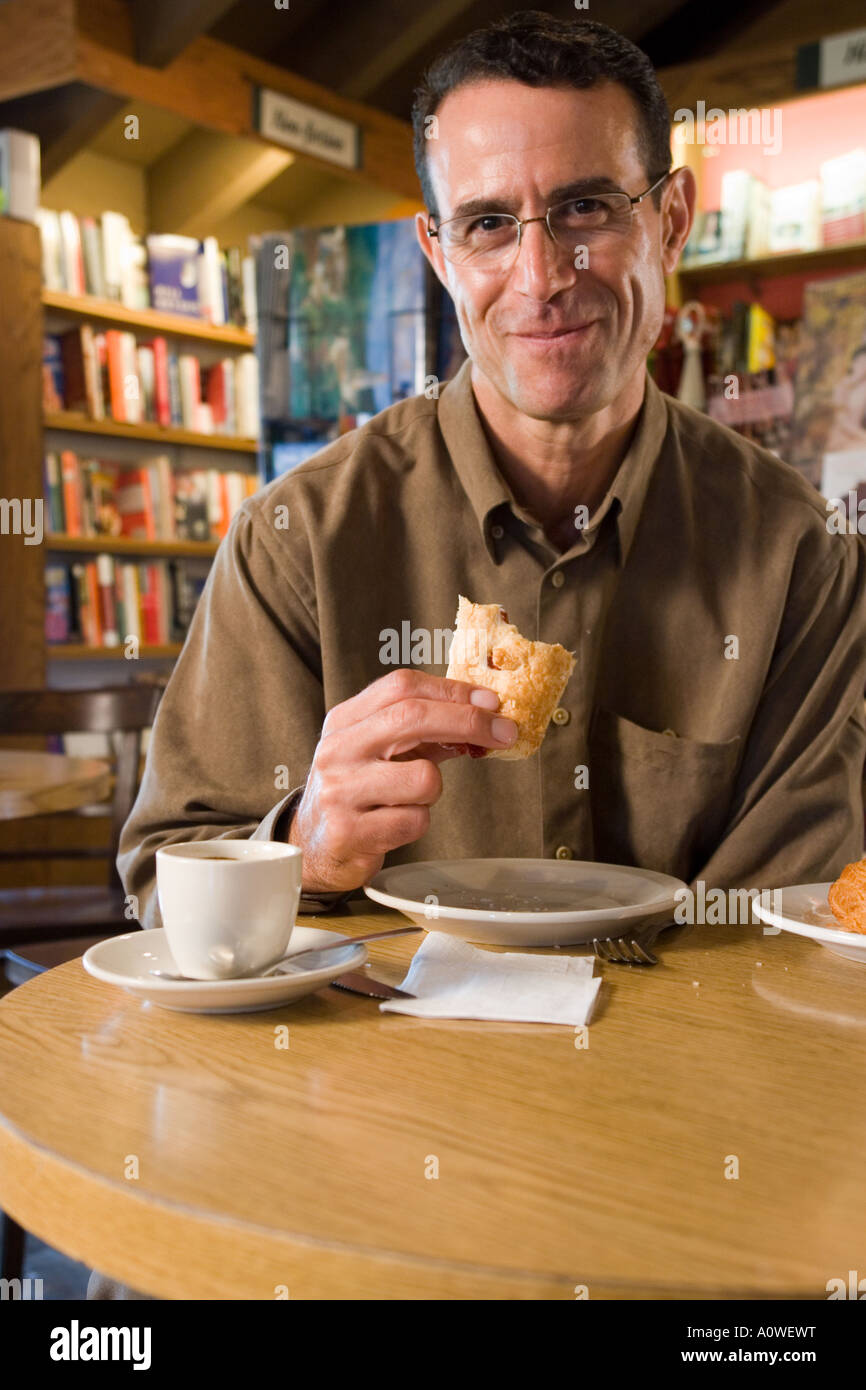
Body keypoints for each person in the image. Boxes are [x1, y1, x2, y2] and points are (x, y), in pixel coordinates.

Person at [91, 12, 866, 1295]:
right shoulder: (301, 534)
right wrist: (298, 847)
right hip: (351, 1148)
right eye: (492, 223)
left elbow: (779, 947)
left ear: (670, 220)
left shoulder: (793, 550)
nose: (542, 271)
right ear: (437, 251)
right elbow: (161, 888)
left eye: (584, 209)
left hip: (672, 1167)